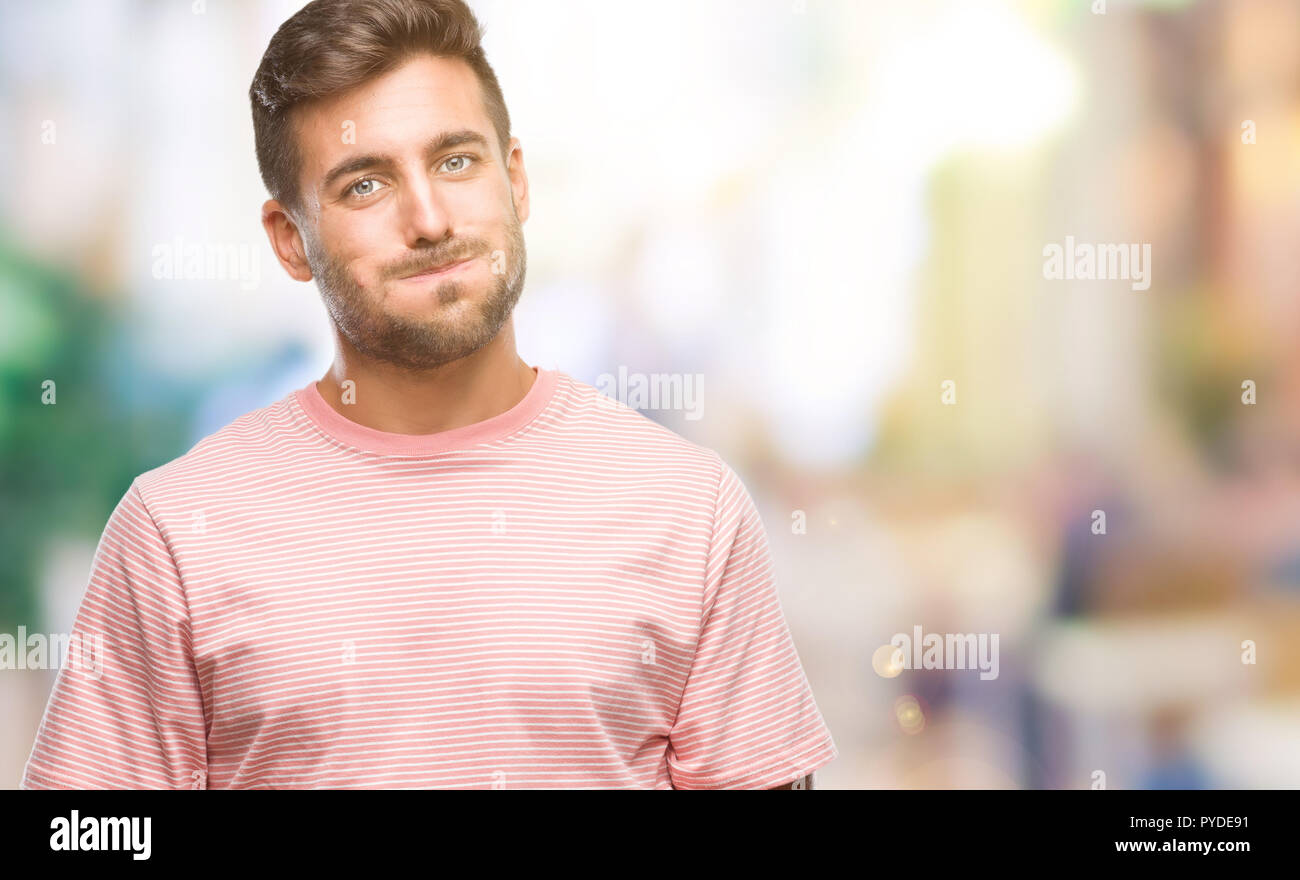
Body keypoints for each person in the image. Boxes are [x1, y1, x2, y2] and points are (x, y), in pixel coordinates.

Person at [21, 0, 836, 789]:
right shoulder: (174, 533)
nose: (429, 217)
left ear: (515, 183)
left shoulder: (688, 510)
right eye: (364, 185)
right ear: (289, 241)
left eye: (455, 161)